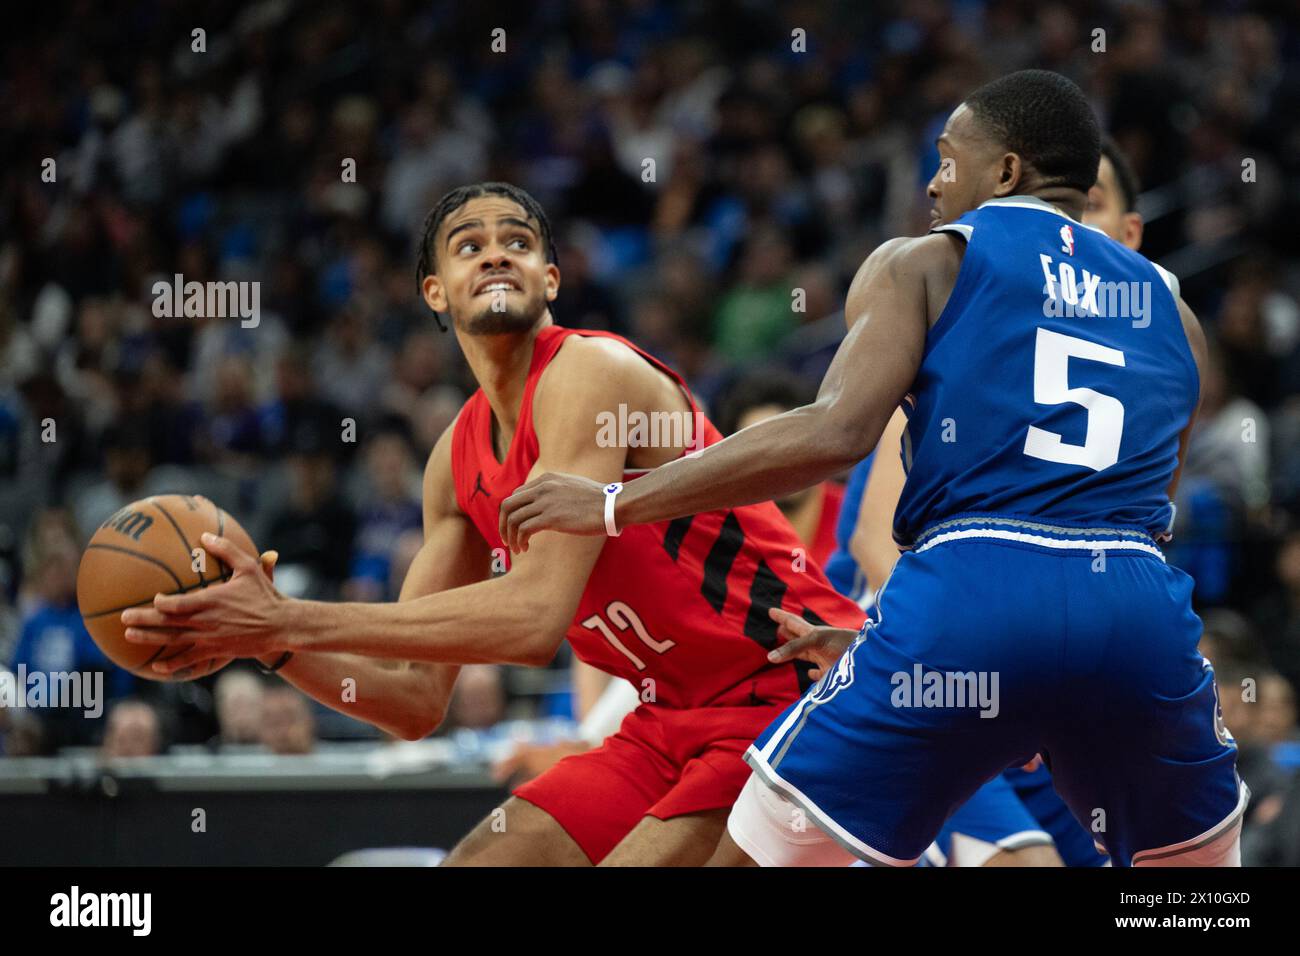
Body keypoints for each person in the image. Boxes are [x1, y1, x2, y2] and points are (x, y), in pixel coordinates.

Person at [499, 70, 1246, 867]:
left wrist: (616, 502)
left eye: (948, 158)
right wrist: (1054, 687)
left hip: (973, 592)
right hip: (1134, 616)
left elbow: (834, 432)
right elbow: (1148, 517)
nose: (932, 181)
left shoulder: (927, 262)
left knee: (750, 856)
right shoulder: (1176, 309)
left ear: (1004, 172)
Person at [120, 182, 866, 867]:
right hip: (667, 721)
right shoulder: (453, 462)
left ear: (550, 280)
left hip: (789, 696)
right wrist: (269, 640)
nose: (496, 253)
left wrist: (289, 616)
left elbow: (534, 619)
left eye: (517, 240)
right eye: (469, 245)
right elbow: (410, 700)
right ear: (435, 292)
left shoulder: (590, 372)